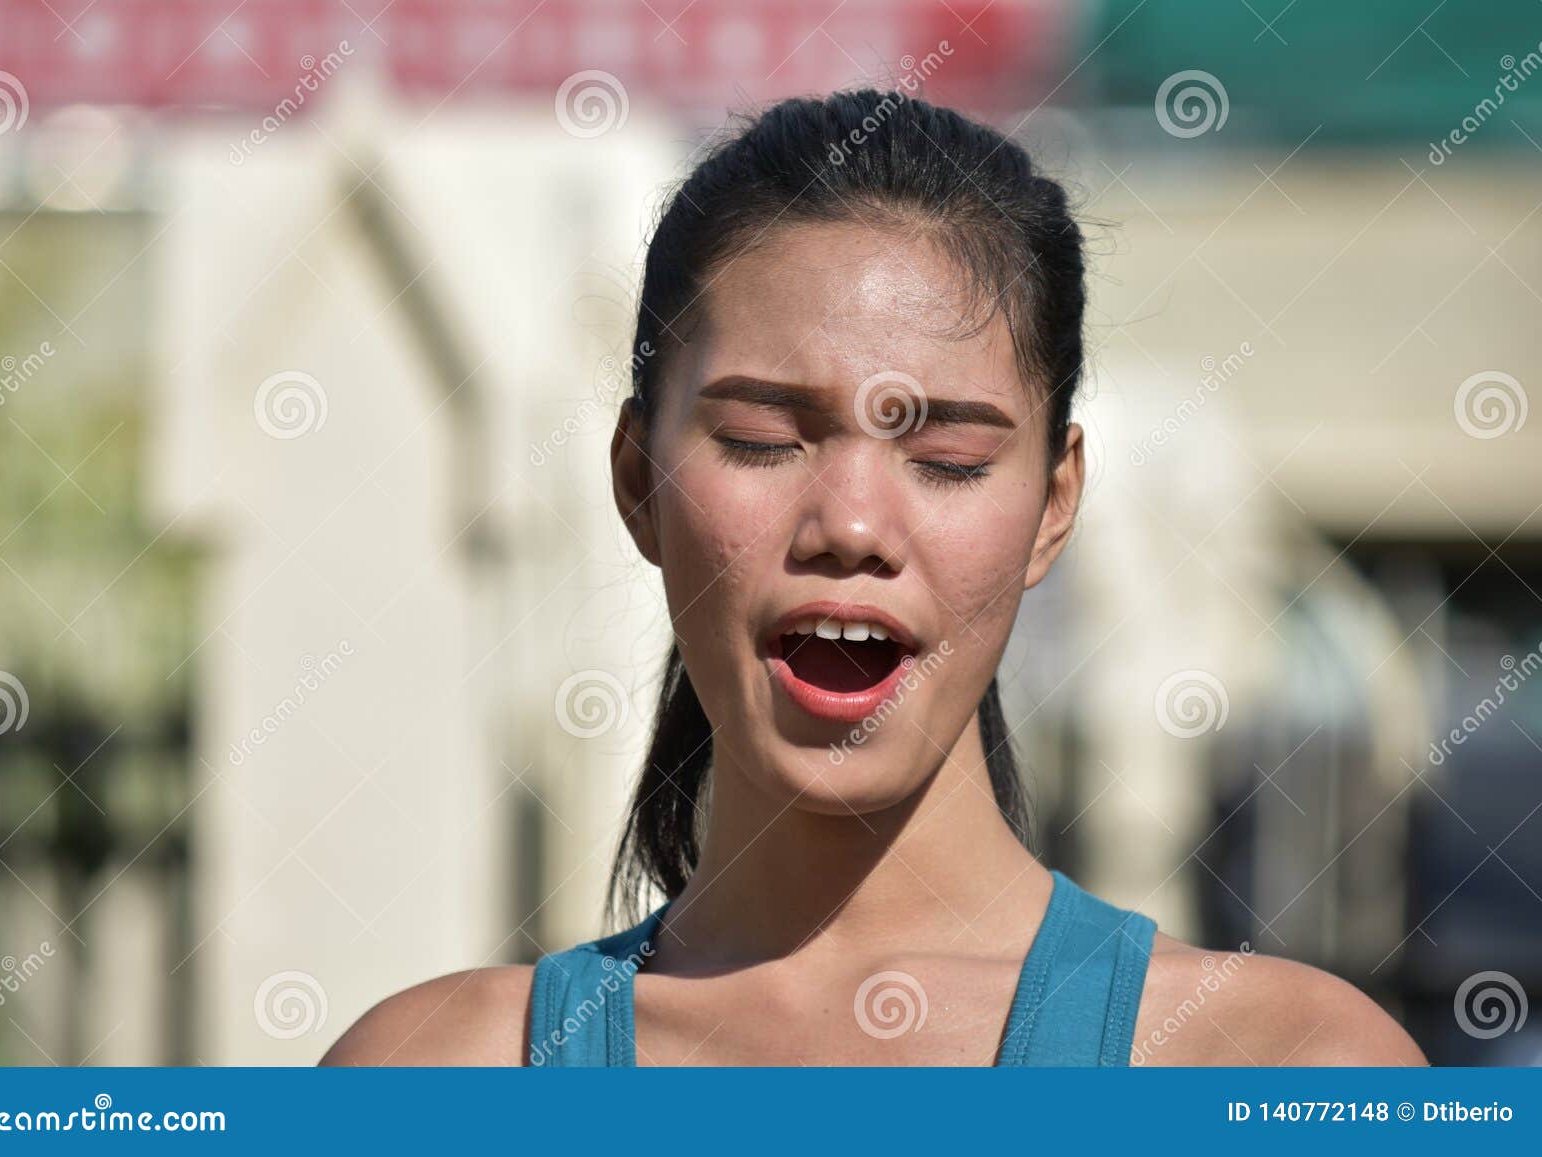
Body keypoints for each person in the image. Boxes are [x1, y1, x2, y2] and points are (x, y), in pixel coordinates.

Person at [322, 90, 1427, 1067]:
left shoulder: (1285, 1071)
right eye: (760, 437)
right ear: (636, 480)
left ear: (1053, 506)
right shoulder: (439, 1076)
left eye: (946, 458)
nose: (851, 524)